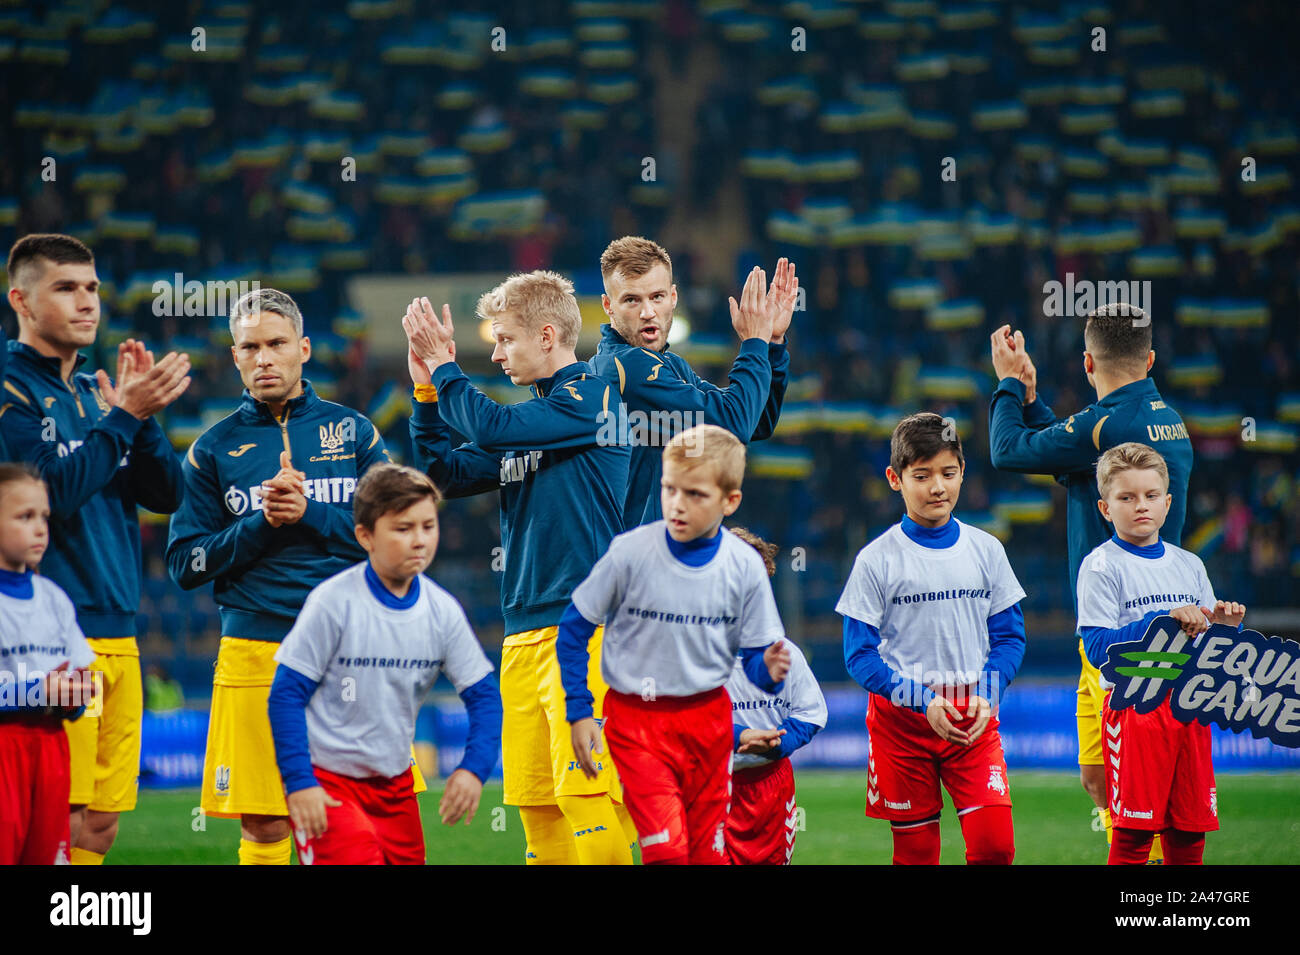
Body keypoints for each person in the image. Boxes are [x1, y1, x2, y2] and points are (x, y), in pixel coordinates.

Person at [165, 287, 406, 865]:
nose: (264, 358)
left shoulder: (355, 434)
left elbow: (399, 540)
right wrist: (260, 525)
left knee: (361, 813)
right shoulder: (209, 450)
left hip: (350, 645)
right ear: (235, 356)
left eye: (276, 344)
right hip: (255, 650)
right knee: (267, 822)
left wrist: (312, 514)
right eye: (250, 347)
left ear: (302, 348)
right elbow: (184, 564)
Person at [404, 272, 635, 864]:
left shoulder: (593, 396)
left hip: (584, 631)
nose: (498, 354)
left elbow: (489, 426)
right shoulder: (534, 421)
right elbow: (444, 474)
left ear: (548, 334)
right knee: (536, 808)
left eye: (505, 340)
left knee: (585, 796)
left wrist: (447, 368)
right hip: (521, 634)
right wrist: (429, 395)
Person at [2, 233, 188, 863]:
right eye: (66, 288)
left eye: (92, 289)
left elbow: (167, 494)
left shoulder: (93, 391)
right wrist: (124, 419)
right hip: (51, 637)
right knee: (61, 813)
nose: (87, 303)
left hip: (120, 634)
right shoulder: (11, 392)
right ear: (21, 300)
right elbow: (51, 491)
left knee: (102, 822)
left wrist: (145, 417)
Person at [988, 303, 1192, 859]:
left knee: (1133, 791)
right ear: (1150, 359)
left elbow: (1006, 451)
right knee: (1100, 777)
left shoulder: (1108, 426)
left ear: (1086, 362)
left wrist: (1008, 386)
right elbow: (1070, 445)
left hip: (1122, 628)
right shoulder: (1156, 420)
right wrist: (1032, 401)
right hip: (1120, 621)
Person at [558, 424, 793, 865]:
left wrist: (771, 674)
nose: (677, 505)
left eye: (695, 495)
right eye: (669, 489)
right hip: (638, 722)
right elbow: (574, 627)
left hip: (709, 722)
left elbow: (755, 662)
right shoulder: (629, 552)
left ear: (730, 501)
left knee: (706, 855)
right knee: (666, 849)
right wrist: (578, 710)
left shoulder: (744, 564)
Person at [268, 464, 501, 865]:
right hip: (329, 785)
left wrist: (473, 769)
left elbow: (484, 697)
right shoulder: (332, 602)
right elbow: (286, 695)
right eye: (403, 528)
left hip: (397, 790)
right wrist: (299, 782)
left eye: (428, 526)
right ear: (365, 536)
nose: (419, 541)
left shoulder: (443, 610)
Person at [838, 413, 1027, 865]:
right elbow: (859, 657)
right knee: (917, 855)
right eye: (921, 476)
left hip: (972, 716)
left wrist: (988, 691)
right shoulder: (875, 560)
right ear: (895, 479)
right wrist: (922, 700)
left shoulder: (987, 549)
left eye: (947, 473)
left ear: (963, 471)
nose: (937, 487)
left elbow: (1009, 639)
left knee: (995, 848)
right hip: (901, 724)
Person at [1077, 443, 1243, 865]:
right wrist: (1163, 619)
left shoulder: (1189, 565)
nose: (1141, 506)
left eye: (1151, 496)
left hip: (1188, 707)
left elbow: (1212, 657)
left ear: (1168, 503)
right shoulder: (1100, 566)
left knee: (1189, 834)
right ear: (1105, 507)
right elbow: (1098, 650)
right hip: (1136, 710)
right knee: (1133, 834)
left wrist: (1224, 630)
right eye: (1127, 497)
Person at [590, 236, 796, 528]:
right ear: (608, 305)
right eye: (632, 300)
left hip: (660, 551)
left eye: (656, 297)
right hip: (641, 559)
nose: (648, 312)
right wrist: (753, 343)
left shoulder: (669, 365)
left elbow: (755, 422)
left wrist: (772, 344)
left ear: (673, 297)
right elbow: (734, 424)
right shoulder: (626, 369)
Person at [0, 464, 98, 864]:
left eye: (44, 517)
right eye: (24, 517)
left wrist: (82, 694)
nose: (40, 528)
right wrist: (38, 690)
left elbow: (86, 680)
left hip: (52, 744)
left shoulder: (54, 597)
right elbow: (43, 685)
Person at [723, 526, 827, 865]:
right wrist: (739, 737)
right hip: (709, 785)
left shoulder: (786, 653)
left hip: (771, 784)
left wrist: (778, 743)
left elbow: (811, 712)